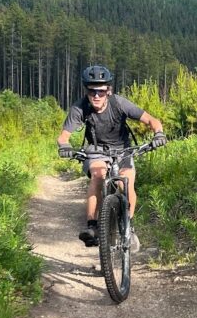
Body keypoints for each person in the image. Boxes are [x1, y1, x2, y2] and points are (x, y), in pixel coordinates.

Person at [56, 64, 167, 247]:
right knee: (98, 175)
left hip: (123, 149)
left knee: (126, 182)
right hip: (97, 151)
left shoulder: (119, 103)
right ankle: (92, 226)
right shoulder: (80, 108)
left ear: (108, 90)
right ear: (87, 91)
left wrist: (159, 134)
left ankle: (128, 227)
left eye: (100, 91)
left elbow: (152, 121)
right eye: (92, 92)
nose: (96, 96)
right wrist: (65, 146)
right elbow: (63, 137)